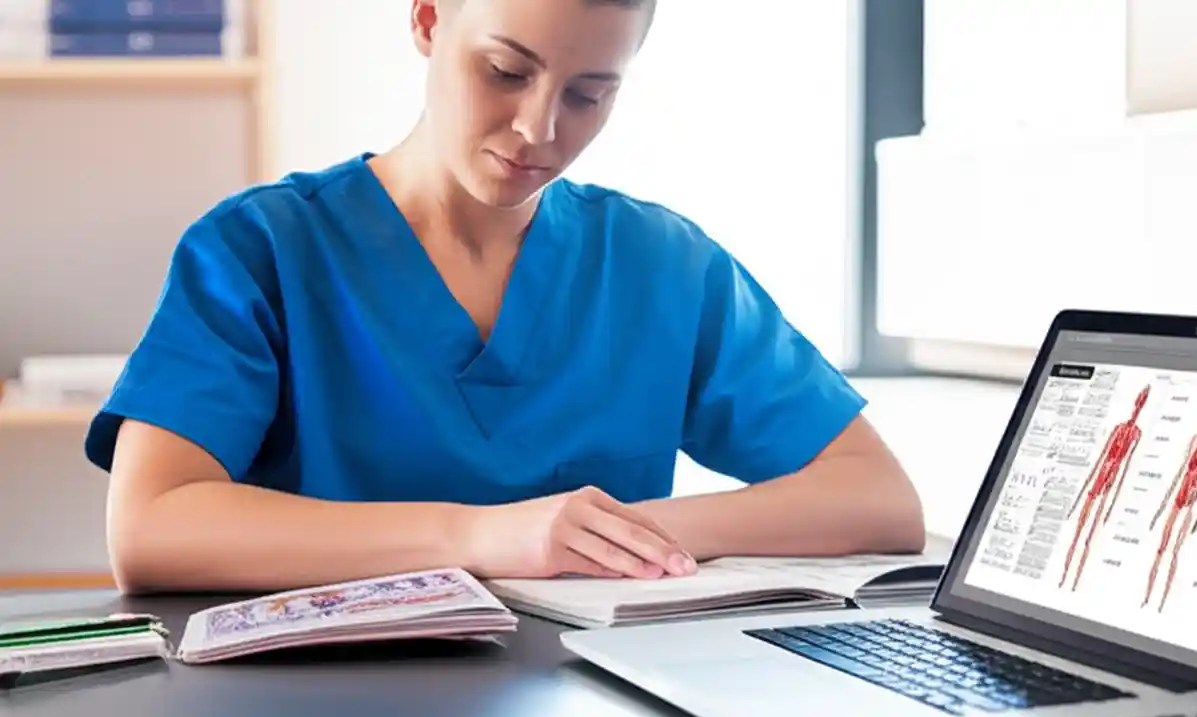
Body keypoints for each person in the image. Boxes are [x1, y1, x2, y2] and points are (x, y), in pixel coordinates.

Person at [85, 0, 925, 595]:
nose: (539, 128)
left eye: (589, 93)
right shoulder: (262, 248)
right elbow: (152, 528)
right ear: (425, 19)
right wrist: (483, 537)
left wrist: (616, 535)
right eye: (504, 71)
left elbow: (877, 498)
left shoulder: (662, 264)